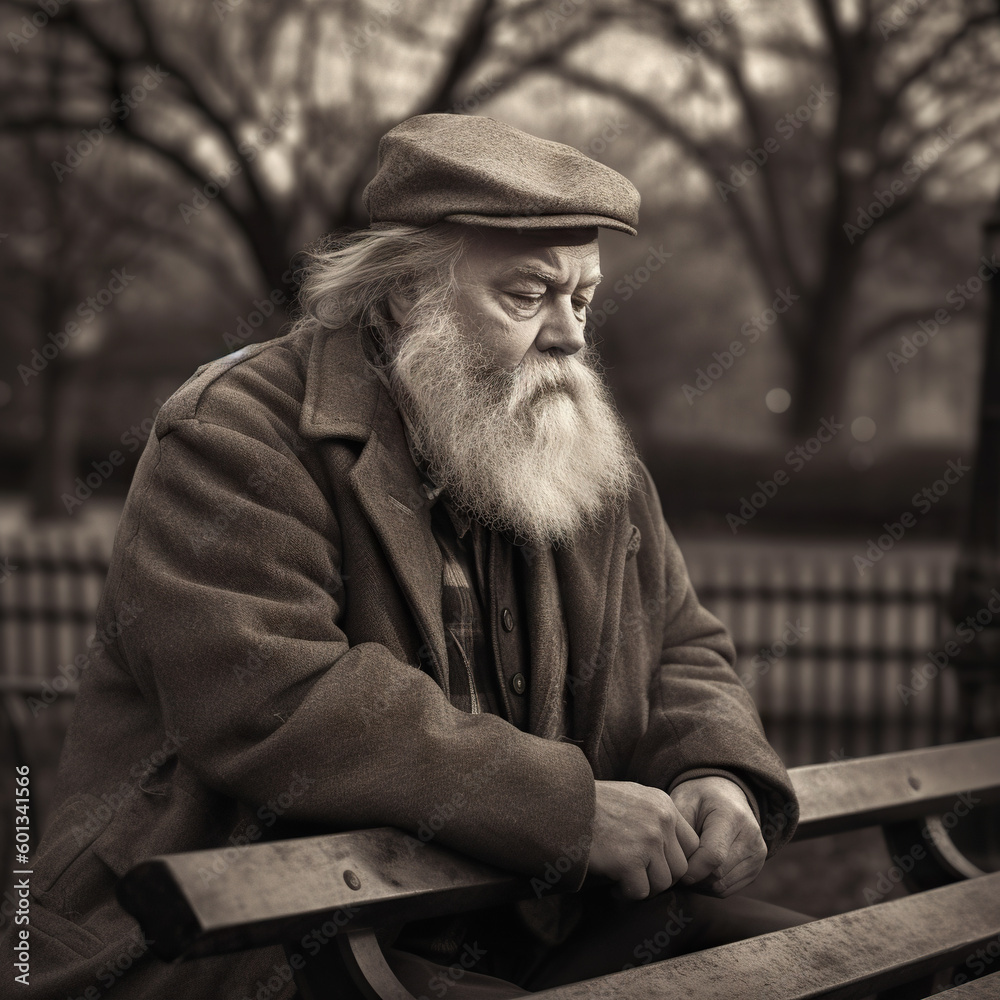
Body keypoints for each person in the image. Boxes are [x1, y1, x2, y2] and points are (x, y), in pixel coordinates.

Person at [12, 114, 805, 999]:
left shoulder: (577, 445)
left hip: (532, 926)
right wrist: (565, 812)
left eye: (582, 297)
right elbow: (274, 697)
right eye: (528, 294)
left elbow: (681, 642)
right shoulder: (235, 432)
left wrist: (715, 768)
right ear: (401, 295)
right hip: (263, 946)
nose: (571, 335)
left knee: (824, 964)